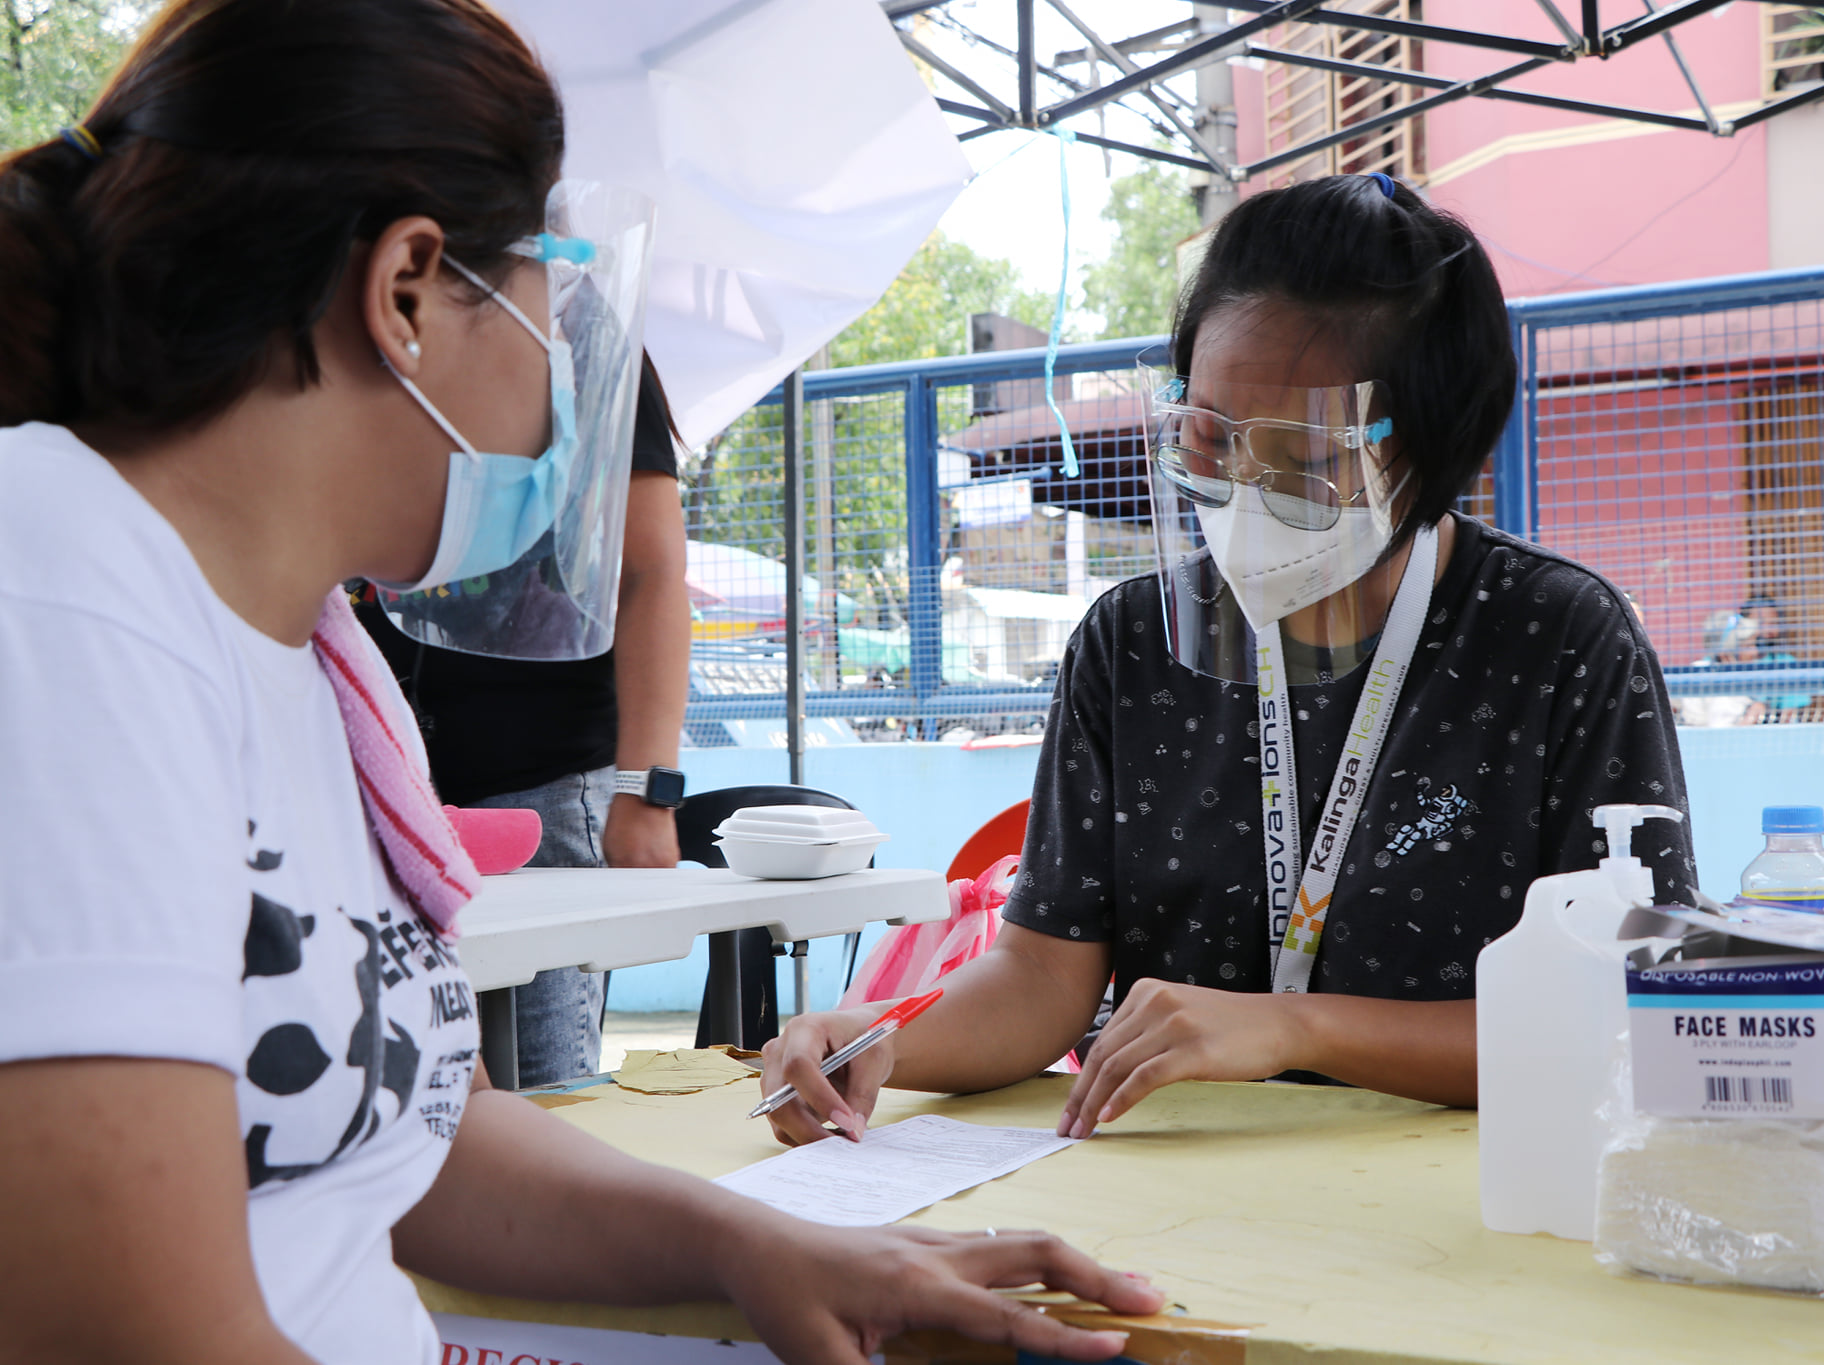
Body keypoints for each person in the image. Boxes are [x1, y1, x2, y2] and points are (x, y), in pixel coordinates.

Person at [0, 4, 1162, 1363]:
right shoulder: (59, 586)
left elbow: (414, 1139)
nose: (568, 377)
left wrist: (757, 1242)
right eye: (553, 288)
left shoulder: (303, 650)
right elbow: (125, 1331)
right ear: (409, 291)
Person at [761, 174, 1695, 1147]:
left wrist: (1294, 1025)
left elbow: (1624, 1015)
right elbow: (1042, 980)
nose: (1243, 492)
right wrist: (878, 1038)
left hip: (1468, 1198)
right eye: (1209, 439)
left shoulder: (1556, 644)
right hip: (1172, 1186)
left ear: (1427, 452)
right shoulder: (1128, 648)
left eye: (1299, 460)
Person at [355, 355, 691, 1086]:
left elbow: (655, 571)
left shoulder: (592, 343)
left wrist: (646, 789)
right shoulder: (362, 329)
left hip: (541, 782)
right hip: (385, 787)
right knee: (419, 1085)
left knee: (545, 1089)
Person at [1674, 610, 1764, 727]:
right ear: (1727, 652)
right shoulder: (1713, 678)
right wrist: (1750, 718)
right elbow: (1721, 735)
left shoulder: (1735, 676)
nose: (1755, 652)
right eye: (1748, 646)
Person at [1739, 593, 1811, 714]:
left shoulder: (1787, 664)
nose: (1768, 630)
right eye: (1761, 623)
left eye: (1773, 624)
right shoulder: (1724, 663)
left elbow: (1790, 713)